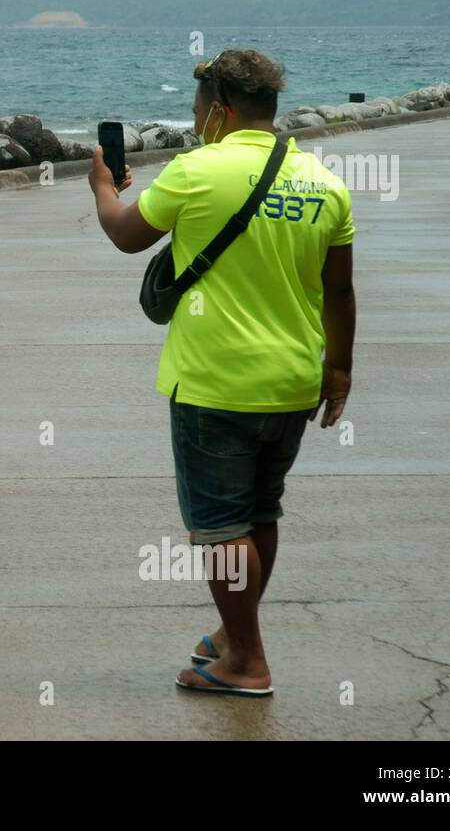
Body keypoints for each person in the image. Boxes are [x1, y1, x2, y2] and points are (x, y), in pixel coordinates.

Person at [88, 48, 356, 696]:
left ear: (221, 110)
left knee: (217, 528)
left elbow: (127, 235)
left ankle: (247, 661)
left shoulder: (197, 171)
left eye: (197, 109)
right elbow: (340, 291)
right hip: (293, 380)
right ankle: (234, 637)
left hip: (214, 383)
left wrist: (102, 186)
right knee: (260, 514)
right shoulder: (324, 182)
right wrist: (339, 368)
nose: (195, 118)